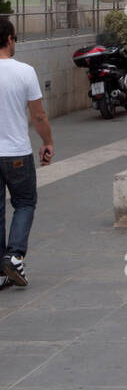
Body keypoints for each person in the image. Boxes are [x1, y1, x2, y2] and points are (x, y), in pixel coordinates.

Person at [0, 18, 54, 287]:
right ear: (10, 39)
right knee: (24, 203)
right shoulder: (24, 71)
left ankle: (1, 268)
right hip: (16, 153)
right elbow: (38, 115)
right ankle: (14, 255)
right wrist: (47, 142)